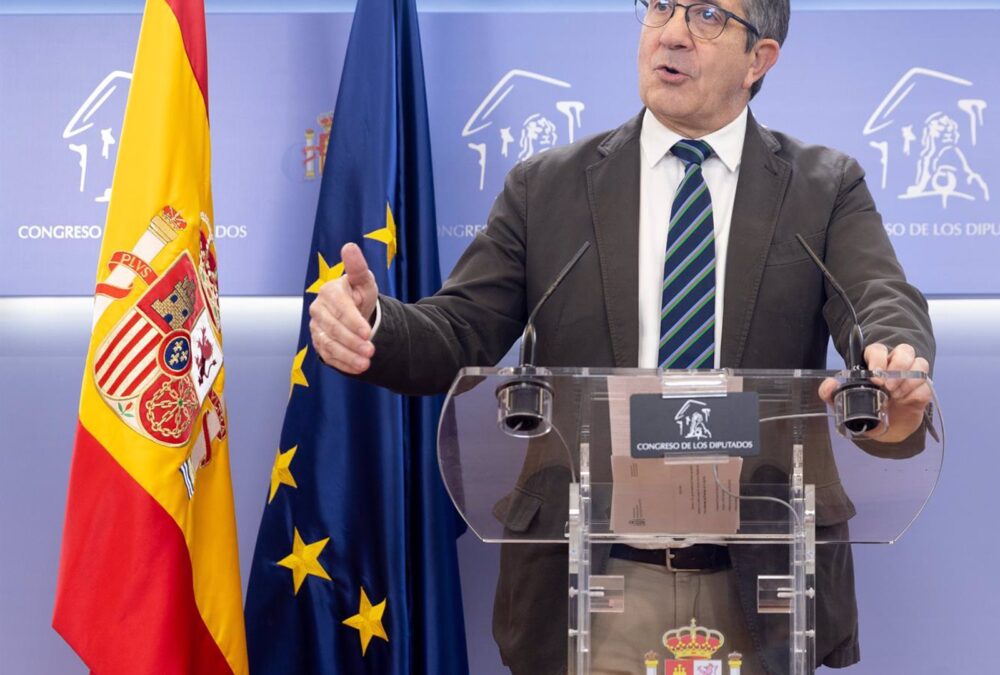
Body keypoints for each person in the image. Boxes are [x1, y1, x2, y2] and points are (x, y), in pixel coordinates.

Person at [309, 0, 935, 672]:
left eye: (707, 16)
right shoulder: (547, 186)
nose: (672, 34)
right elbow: (460, 330)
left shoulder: (824, 186)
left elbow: (879, 297)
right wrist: (375, 322)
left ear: (760, 59)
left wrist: (893, 359)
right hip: (591, 579)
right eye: (661, 6)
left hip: (762, 580)